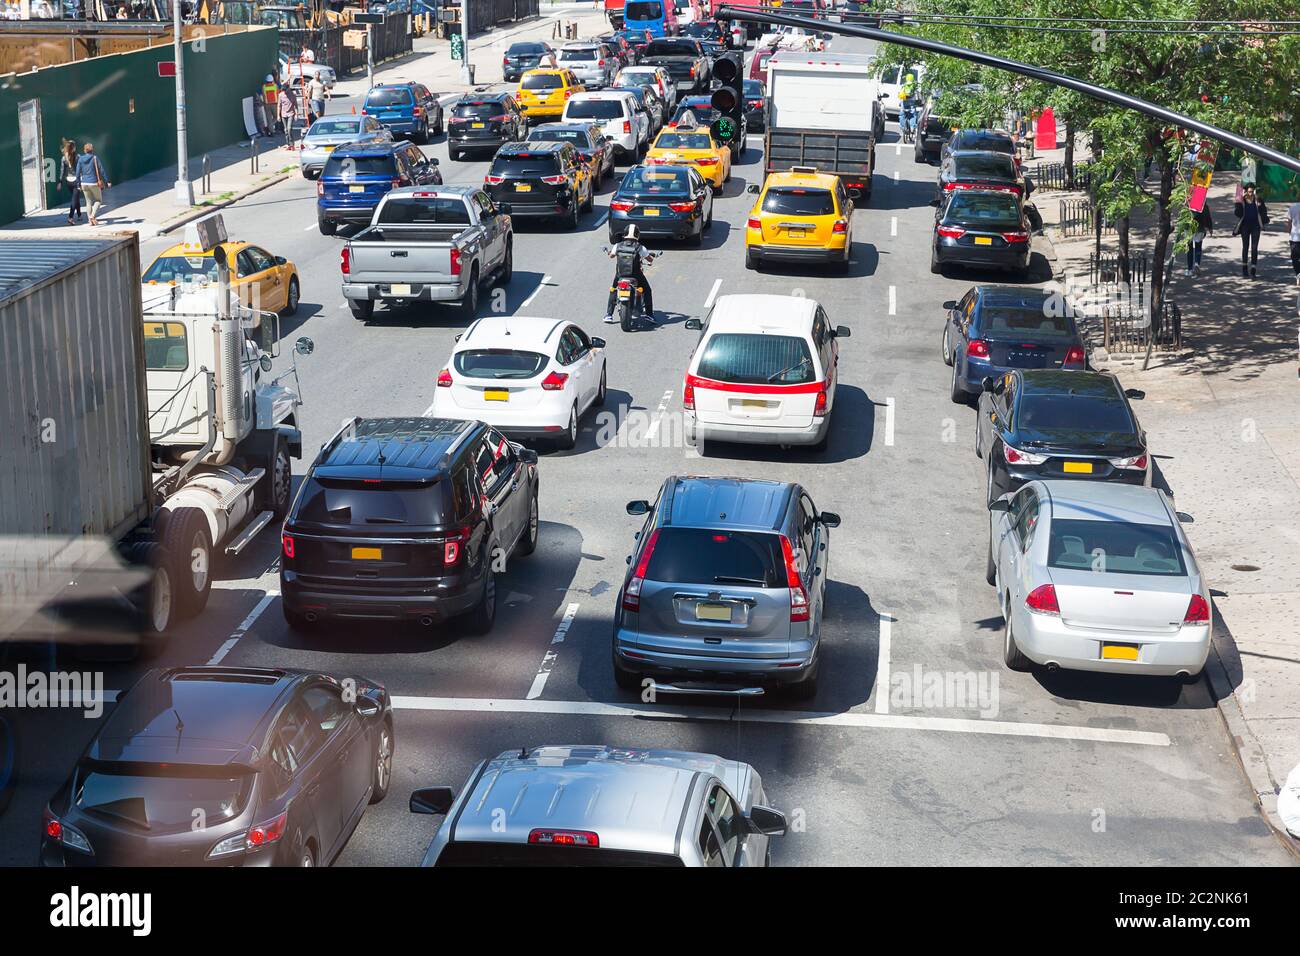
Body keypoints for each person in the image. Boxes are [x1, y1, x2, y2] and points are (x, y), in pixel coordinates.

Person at [604, 225, 655, 324]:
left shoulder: (617, 245)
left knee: (613, 289)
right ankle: (649, 314)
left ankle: (609, 315)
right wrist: (650, 257)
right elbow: (650, 259)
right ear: (637, 235)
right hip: (636, 275)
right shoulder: (640, 247)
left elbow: (611, 256)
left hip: (620, 275)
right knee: (647, 290)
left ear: (625, 233)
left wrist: (609, 252)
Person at [1233, 185, 1268, 278]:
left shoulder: (1258, 200)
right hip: (1245, 226)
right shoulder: (1242, 201)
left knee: (1254, 247)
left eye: (1252, 191)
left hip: (1255, 226)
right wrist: (1238, 202)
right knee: (1245, 247)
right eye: (1249, 192)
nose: (1251, 193)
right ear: (1245, 192)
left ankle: (1253, 269)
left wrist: (1260, 206)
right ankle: (1244, 268)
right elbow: (1237, 213)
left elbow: (1264, 212)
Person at [75, 142, 109, 226]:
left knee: (88, 202)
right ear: (92, 150)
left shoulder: (80, 159)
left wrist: (78, 184)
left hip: (84, 183)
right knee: (98, 200)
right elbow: (101, 170)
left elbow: (77, 173)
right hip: (93, 182)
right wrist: (107, 181)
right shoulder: (95, 158)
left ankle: (90, 222)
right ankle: (92, 216)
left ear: (84, 150)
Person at [59, 139, 82, 225]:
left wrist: (60, 182)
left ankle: (79, 214)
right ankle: (70, 217)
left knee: (75, 198)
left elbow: (62, 170)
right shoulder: (78, 157)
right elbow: (81, 169)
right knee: (74, 199)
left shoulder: (63, 158)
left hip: (68, 181)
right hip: (76, 181)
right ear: (74, 148)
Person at [1186, 204, 1213, 277]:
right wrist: (1210, 227)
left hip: (1189, 229)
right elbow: (1208, 217)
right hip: (1200, 228)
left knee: (1189, 249)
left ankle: (1189, 270)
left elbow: (1184, 216)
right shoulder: (1203, 204)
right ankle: (1197, 263)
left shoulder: (1187, 202)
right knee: (1198, 247)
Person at [277, 84, 298, 148]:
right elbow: (279, 106)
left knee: (289, 129)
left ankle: (292, 143)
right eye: (283, 90)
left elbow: (296, 105)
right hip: (283, 114)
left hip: (291, 114)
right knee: (286, 130)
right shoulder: (280, 95)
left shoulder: (293, 95)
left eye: (285, 90)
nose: (284, 92)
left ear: (288, 88)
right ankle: (288, 143)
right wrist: (278, 115)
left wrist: (296, 115)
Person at [899, 72, 918, 140]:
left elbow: (900, 95)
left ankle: (903, 127)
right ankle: (912, 128)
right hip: (911, 103)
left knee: (902, 115)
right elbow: (917, 96)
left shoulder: (904, 85)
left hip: (904, 103)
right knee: (913, 115)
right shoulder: (914, 86)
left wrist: (900, 103)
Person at [1287, 196, 1300, 280]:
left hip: (1295, 237)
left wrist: (1289, 232)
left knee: (1295, 258)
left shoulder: (1292, 207)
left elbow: (1289, 223)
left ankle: (1298, 274)